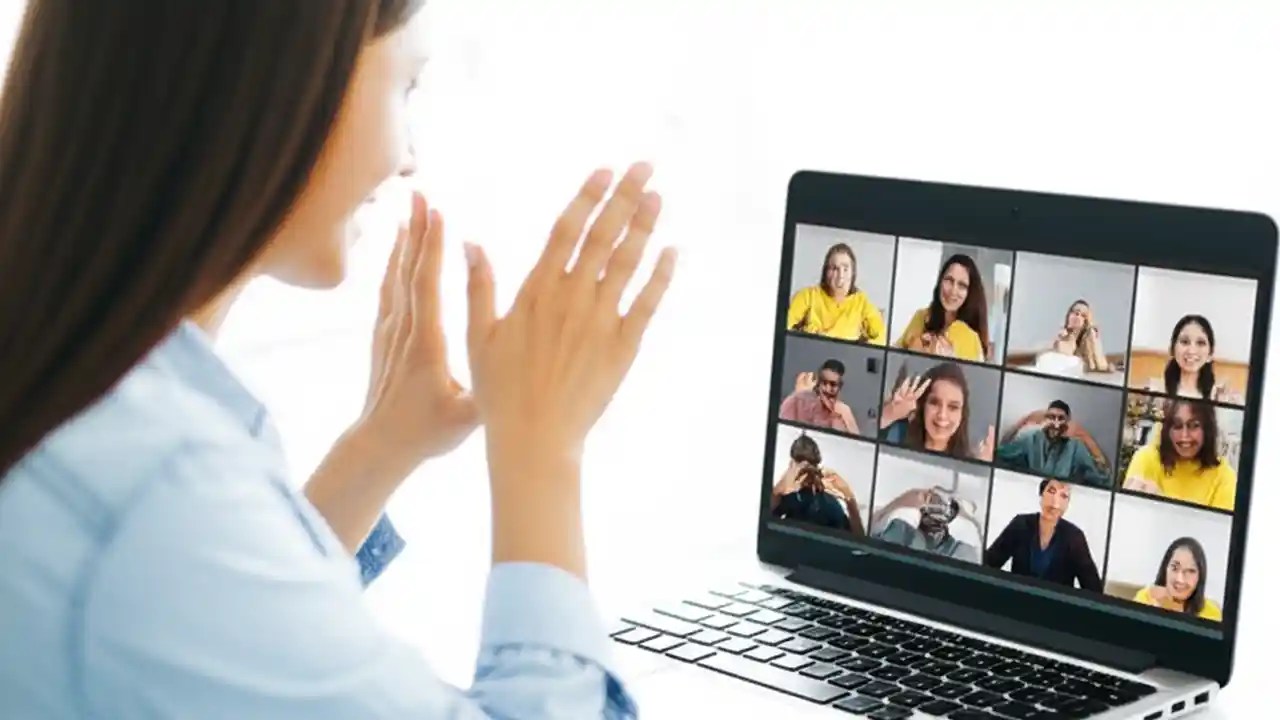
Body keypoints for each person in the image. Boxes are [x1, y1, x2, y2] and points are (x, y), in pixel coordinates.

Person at [0, 3, 678, 718]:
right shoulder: (157, 488)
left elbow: (216, 643)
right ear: (279, 83)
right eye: (405, 86)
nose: (409, 155)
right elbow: (176, 554)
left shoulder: (81, 407)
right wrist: (540, 451)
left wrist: (379, 449)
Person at [984, 479, 1103, 592]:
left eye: (1063, 496)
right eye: (1051, 491)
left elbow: (1093, 589)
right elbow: (988, 564)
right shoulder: (1020, 524)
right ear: (1041, 495)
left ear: (1067, 504)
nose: (1055, 503)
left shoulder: (1074, 537)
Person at [1122, 399, 1236, 511]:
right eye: (1177, 426)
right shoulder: (1145, 459)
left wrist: (1160, 506)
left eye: (1194, 426)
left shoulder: (1224, 476)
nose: (1184, 436)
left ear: (1207, 429)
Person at [879, 363, 995, 462]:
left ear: (962, 414)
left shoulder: (970, 461)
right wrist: (889, 414)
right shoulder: (896, 436)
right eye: (934, 402)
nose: (942, 415)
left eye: (953, 407)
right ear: (922, 406)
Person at [895, 253, 990, 362]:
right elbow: (895, 356)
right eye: (949, 280)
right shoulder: (921, 317)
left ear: (970, 293)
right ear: (940, 282)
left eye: (962, 285)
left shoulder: (971, 338)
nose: (953, 291)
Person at [786, 242, 887, 343]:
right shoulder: (808, 295)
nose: (840, 275)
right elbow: (785, 322)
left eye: (845, 269)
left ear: (853, 274)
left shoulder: (862, 302)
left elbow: (880, 336)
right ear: (826, 272)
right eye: (834, 269)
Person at [995, 400, 1111, 487]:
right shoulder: (1031, 439)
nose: (1056, 424)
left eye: (1061, 418)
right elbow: (1001, 454)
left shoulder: (1075, 447)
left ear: (1068, 422)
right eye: (1051, 417)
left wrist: (1086, 438)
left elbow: (1100, 478)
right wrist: (1023, 422)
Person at [770, 435, 866, 535]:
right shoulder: (786, 497)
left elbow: (857, 540)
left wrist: (849, 498)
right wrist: (781, 487)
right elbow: (762, 522)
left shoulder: (828, 504)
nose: (806, 475)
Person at [1143, 314, 1241, 403]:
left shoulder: (1220, 397)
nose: (1191, 351)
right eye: (1185, 342)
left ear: (1210, 354)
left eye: (1200, 343)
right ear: (1172, 349)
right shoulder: (1154, 390)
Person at [870, 488, 981, 564]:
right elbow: (867, 534)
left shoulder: (962, 553)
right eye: (932, 499)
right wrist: (902, 501)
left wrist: (970, 518)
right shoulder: (900, 531)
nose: (938, 507)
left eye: (948, 506)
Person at [1133, 538, 1222, 621]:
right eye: (1174, 568)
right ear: (1165, 568)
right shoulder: (1146, 597)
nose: (1180, 579)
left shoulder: (1212, 613)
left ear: (1200, 576)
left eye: (1190, 571)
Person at [1036, 299, 1118, 375]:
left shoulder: (1089, 336)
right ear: (1069, 315)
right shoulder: (1061, 337)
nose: (1077, 317)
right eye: (1075, 313)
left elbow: (1096, 363)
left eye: (1083, 315)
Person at [778, 359, 860, 434]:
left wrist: (837, 416)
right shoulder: (798, 401)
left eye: (833, 385)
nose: (827, 389)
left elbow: (855, 441)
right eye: (824, 383)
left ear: (840, 387)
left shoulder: (843, 411)